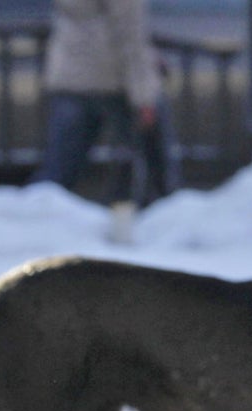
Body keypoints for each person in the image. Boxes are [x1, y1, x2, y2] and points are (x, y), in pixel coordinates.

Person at [32, 0, 180, 238]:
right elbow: (129, 34)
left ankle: (31, 229)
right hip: (113, 79)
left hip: (70, 73)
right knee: (155, 167)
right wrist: (145, 96)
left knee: (57, 173)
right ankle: (160, 232)